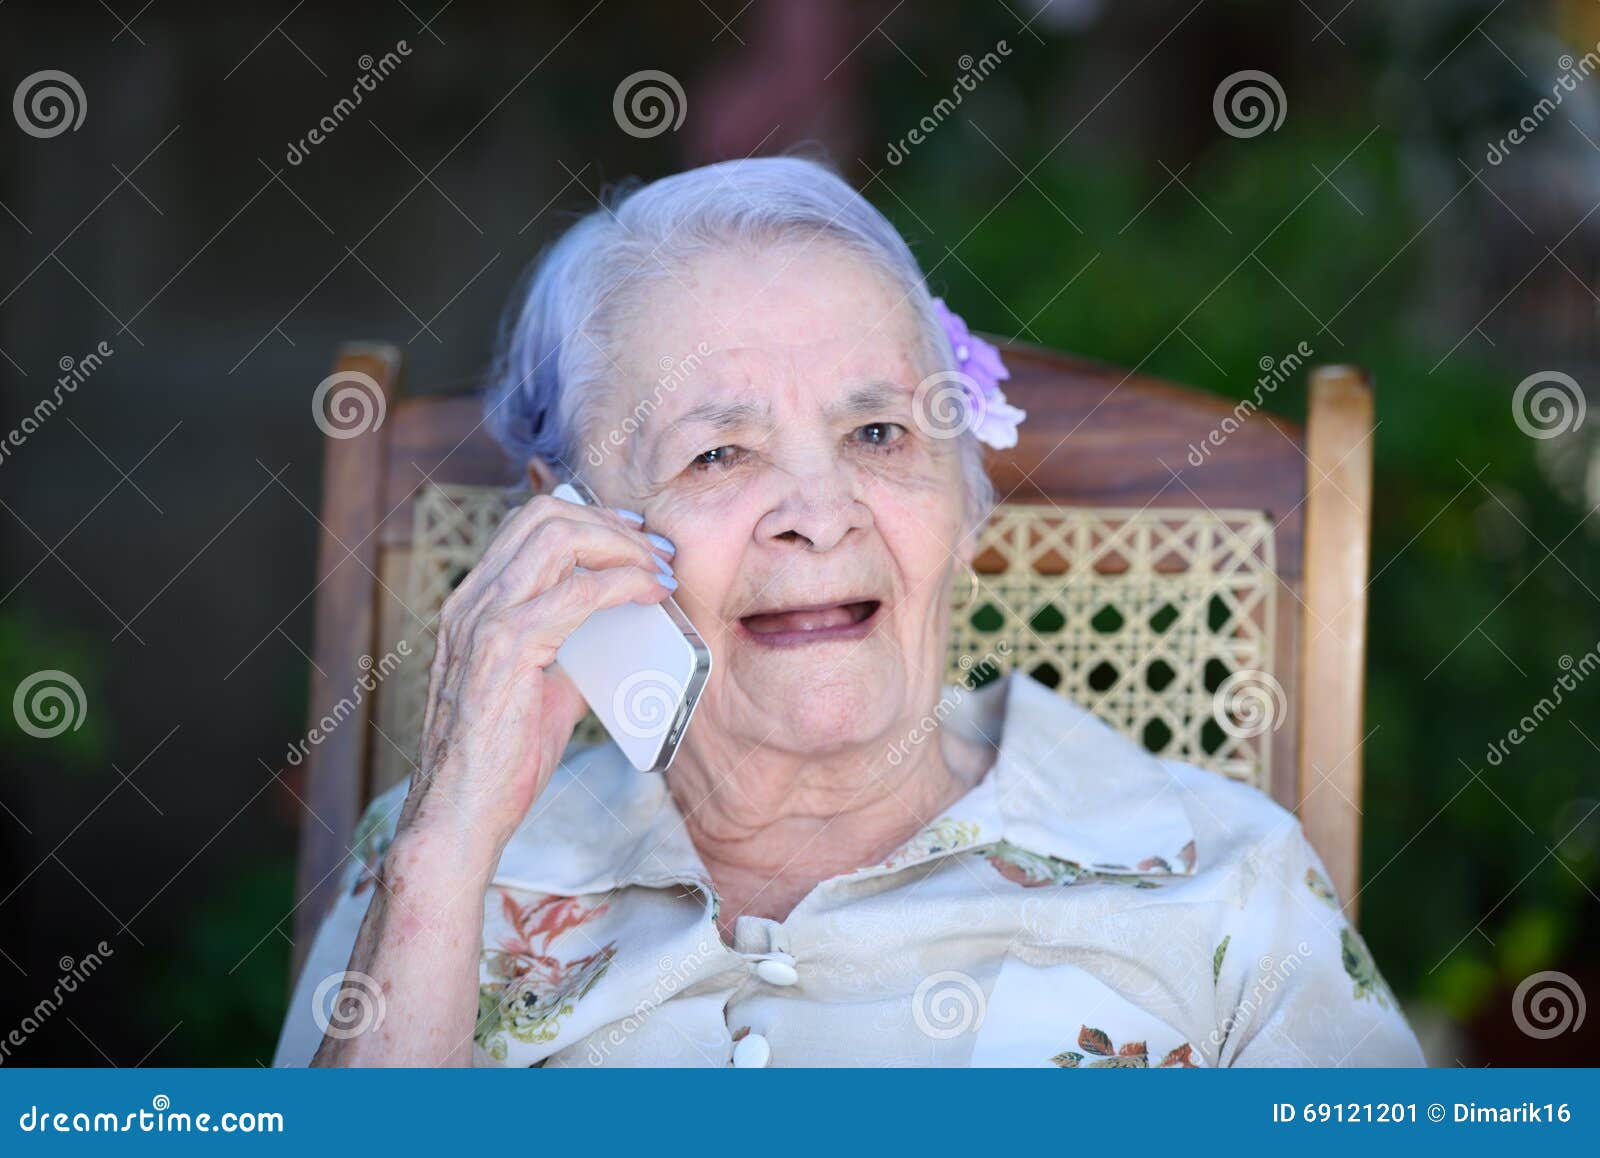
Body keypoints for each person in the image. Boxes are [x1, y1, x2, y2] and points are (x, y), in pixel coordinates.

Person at [274, 155, 1424, 1068]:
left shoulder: (1223, 878)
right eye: (719, 453)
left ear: (964, 497)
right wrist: (445, 849)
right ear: (561, 534)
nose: (819, 517)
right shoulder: (441, 860)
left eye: (878, 434)